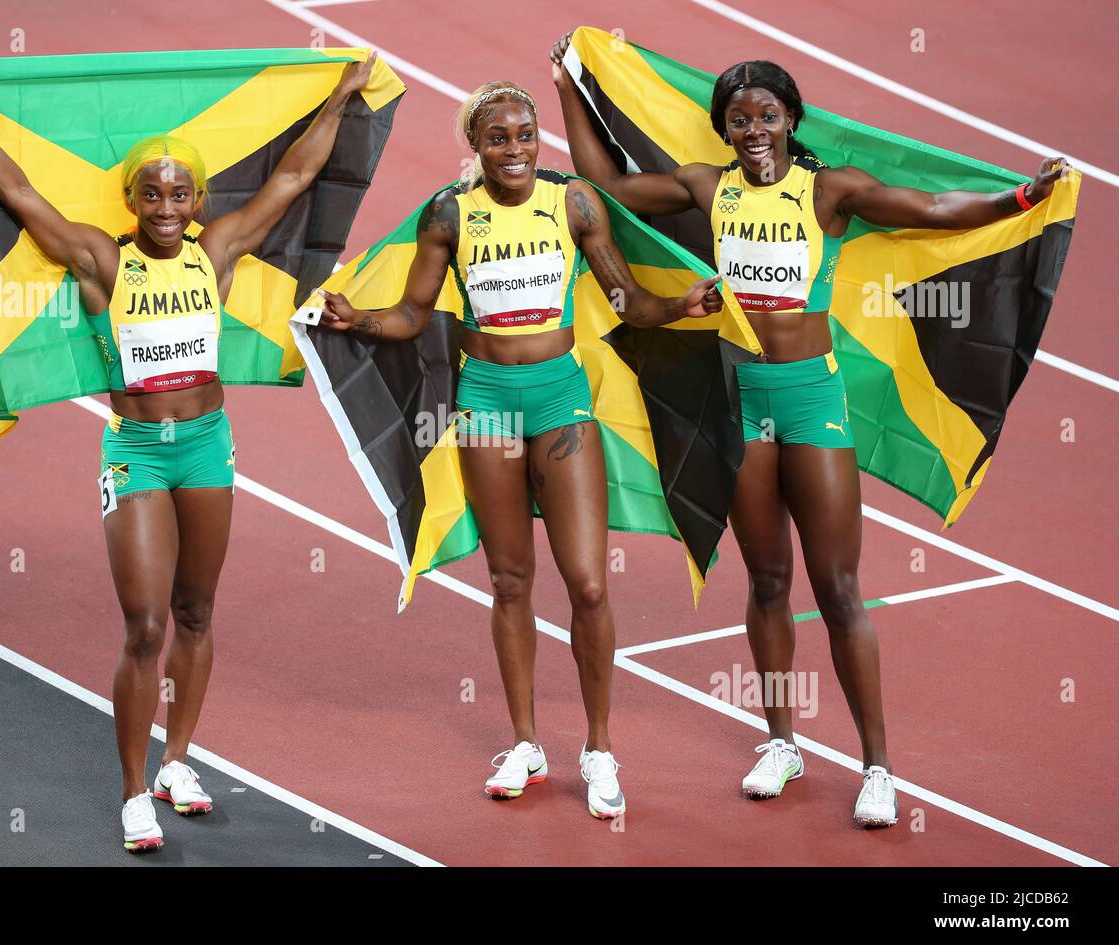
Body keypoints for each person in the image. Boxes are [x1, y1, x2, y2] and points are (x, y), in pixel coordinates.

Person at [551, 39, 1070, 826]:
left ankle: (878, 767)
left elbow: (929, 210)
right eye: (738, 118)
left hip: (810, 400)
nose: (753, 129)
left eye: (766, 115)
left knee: (837, 587)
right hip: (741, 399)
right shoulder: (707, 186)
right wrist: (567, 85)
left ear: (791, 119)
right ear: (723, 128)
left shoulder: (829, 192)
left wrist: (1020, 200)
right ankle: (783, 743)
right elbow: (608, 185)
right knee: (766, 582)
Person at [0, 54, 376, 851]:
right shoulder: (102, 261)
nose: (165, 205)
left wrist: (342, 98)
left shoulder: (212, 252)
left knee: (196, 611)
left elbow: (289, 181)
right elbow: (19, 196)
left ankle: (177, 761)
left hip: (208, 448)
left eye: (179, 193)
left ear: (198, 200)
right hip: (139, 454)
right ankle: (130, 794)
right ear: (132, 200)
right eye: (151, 192)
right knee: (147, 627)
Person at [316, 81, 724, 820]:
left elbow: (625, 298)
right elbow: (415, 310)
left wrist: (680, 306)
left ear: (542, 139)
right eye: (498, 138)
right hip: (485, 405)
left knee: (590, 584)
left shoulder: (574, 205)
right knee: (509, 580)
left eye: (526, 135)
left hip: (560, 398)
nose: (515, 150)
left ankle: (599, 748)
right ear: (476, 148)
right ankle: (527, 743)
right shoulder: (450, 213)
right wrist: (360, 320)